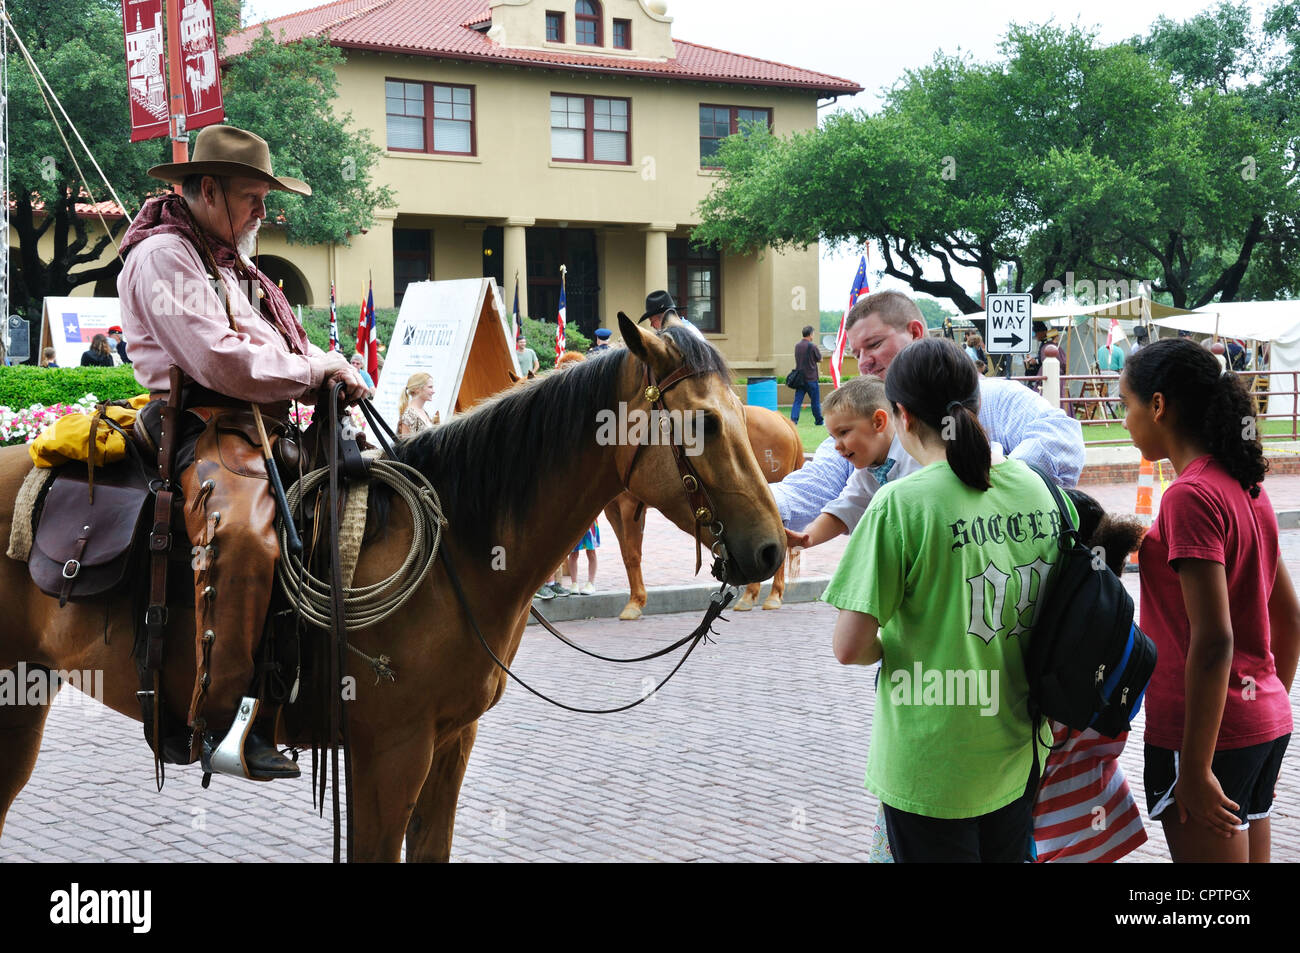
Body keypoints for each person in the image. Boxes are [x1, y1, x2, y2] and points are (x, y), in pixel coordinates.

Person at [117, 124, 367, 781]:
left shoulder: (227, 260)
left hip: (256, 424)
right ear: (207, 189)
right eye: (254, 196)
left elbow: (276, 348)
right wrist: (316, 372)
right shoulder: (167, 257)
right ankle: (221, 724)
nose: (264, 210)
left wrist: (328, 365)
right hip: (202, 424)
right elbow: (220, 360)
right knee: (249, 538)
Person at [822, 337, 1066, 862]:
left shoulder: (901, 505)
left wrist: (904, 640)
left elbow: (849, 646)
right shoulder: (1035, 486)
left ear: (901, 415)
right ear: (976, 405)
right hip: (1020, 749)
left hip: (932, 760)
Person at [1120, 338, 1298, 863]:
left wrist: (1195, 769)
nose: (1125, 421)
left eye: (1127, 405)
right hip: (1260, 722)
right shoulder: (1246, 485)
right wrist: (1266, 705)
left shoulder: (1189, 497)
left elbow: (1215, 638)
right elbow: (1289, 615)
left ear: (1158, 406)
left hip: (1204, 737)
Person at [771, 290, 1084, 537]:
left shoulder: (997, 397)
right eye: (857, 354)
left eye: (874, 344)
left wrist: (995, 493)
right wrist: (755, 503)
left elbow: (1059, 436)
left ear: (916, 332)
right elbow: (821, 481)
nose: (864, 362)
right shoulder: (868, 422)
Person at [785, 375, 892, 551]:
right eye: (833, 437)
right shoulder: (867, 471)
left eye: (843, 432)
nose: (836, 446)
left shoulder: (917, 459)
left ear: (878, 422)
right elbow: (847, 507)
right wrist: (809, 537)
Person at [790, 325, 824, 426]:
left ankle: (793, 421)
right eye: (813, 333)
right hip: (811, 378)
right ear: (810, 334)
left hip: (800, 379)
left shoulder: (797, 346)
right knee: (815, 402)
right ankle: (819, 421)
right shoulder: (812, 346)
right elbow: (820, 359)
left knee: (797, 401)